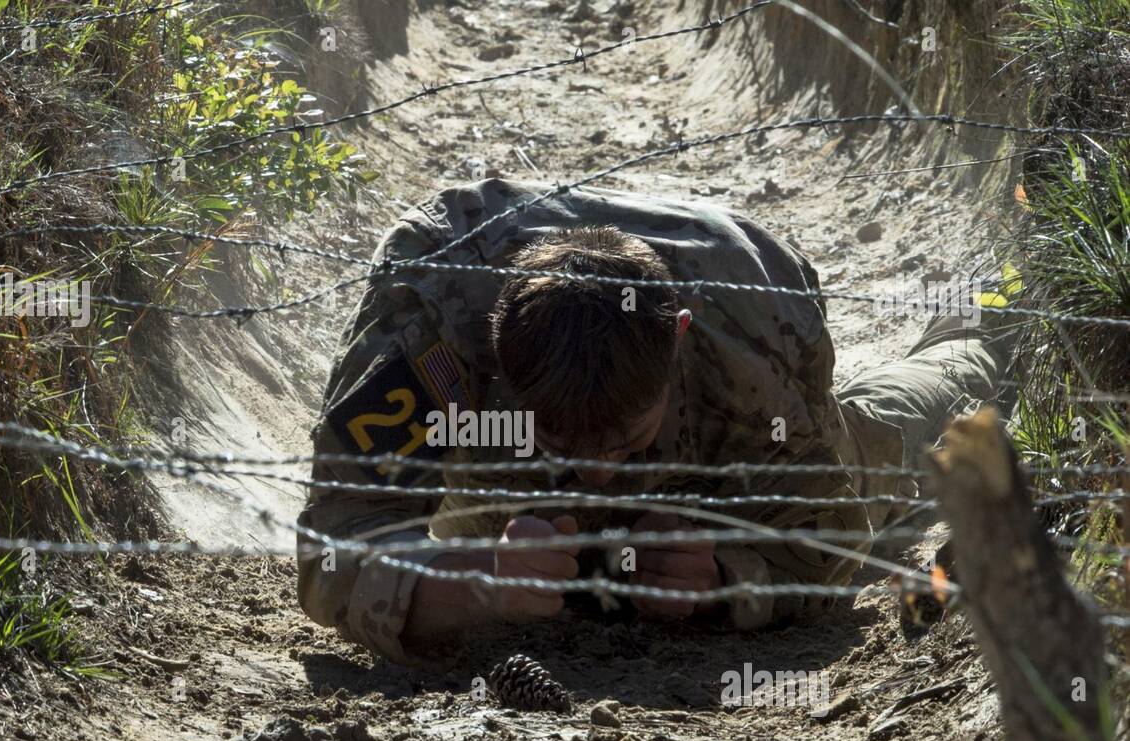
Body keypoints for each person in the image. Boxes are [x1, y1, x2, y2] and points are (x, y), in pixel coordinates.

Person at [296, 178, 1014, 664]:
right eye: (564, 444)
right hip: (491, 465)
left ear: (678, 340)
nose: (598, 477)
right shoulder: (427, 315)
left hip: (721, 404)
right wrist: (478, 582)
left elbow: (830, 539)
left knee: (893, 445)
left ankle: (979, 326)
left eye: (622, 441)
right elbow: (332, 549)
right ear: (494, 358)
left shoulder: (751, 326)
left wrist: (724, 577)